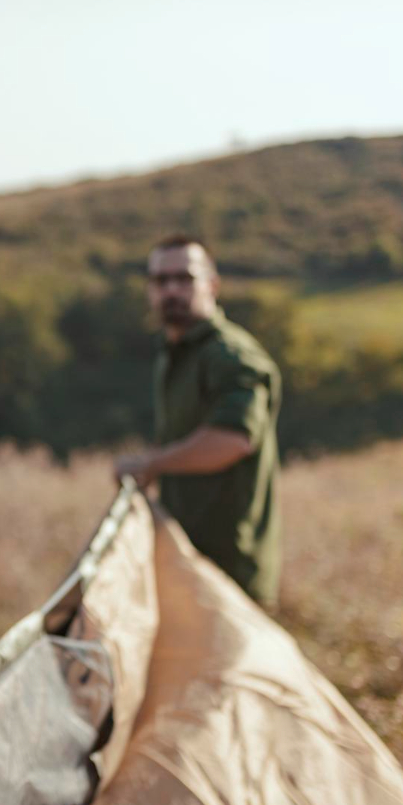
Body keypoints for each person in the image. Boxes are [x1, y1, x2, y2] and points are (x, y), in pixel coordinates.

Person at [115, 234, 282, 607]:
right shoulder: (174, 357)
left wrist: (150, 464)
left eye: (184, 278)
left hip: (230, 568)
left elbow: (232, 440)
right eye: (161, 281)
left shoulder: (232, 357)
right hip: (187, 559)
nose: (172, 289)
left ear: (212, 284)